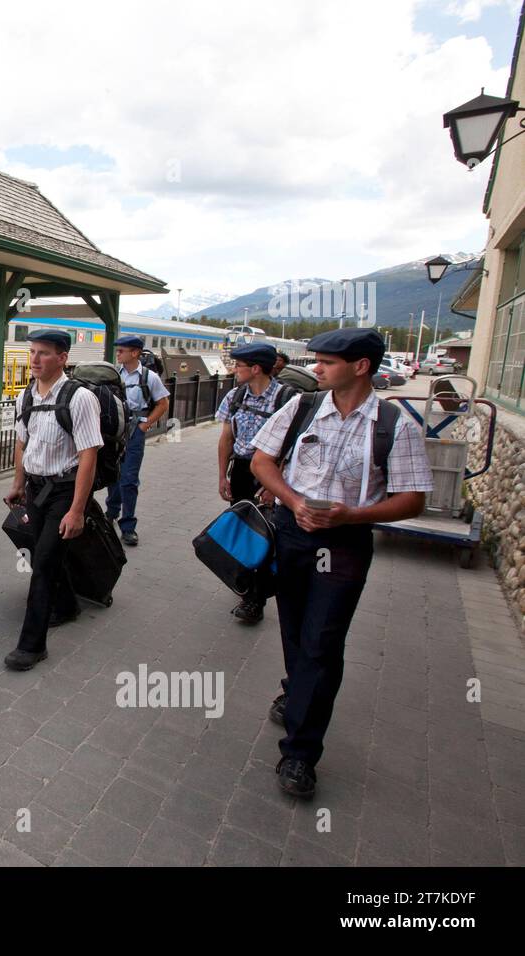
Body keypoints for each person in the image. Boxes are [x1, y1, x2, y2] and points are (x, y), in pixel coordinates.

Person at [249, 328, 432, 799]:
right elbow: (262, 462)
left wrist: (355, 514)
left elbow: (412, 499)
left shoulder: (394, 424)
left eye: (327, 362)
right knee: (294, 630)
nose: (316, 369)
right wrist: (293, 500)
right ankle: (297, 689)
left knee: (323, 641)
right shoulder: (304, 408)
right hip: (292, 534)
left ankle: (300, 754)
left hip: (345, 542)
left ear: (361, 366)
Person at [2, 329, 103, 671]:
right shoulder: (25, 397)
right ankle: (67, 606)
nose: (34, 359)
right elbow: (22, 442)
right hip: (35, 489)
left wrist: (77, 510)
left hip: (65, 491)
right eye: (32, 352)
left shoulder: (80, 398)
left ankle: (32, 645)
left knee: (43, 563)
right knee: (42, 554)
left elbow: (89, 454)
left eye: (43, 353)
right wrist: (18, 483)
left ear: (62, 358)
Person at [215, 342, 285, 624]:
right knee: (245, 529)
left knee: (266, 535)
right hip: (243, 469)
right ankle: (246, 583)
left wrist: (273, 485)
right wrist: (222, 475)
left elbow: (292, 448)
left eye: (239, 365)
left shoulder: (286, 399)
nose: (234, 370)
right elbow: (226, 438)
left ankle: (256, 599)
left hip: (272, 472)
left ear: (255, 368)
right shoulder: (235, 396)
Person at [105, 334, 170, 546]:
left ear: (135, 353)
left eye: (122, 350)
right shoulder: (114, 373)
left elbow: (163, 403)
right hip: (116, 431)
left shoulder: (149, 377)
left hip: (134, 431)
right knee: (113, 474)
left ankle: (128, 526)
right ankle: (111, 512)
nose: (118, 353)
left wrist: (146, 424)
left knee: (130, 479)